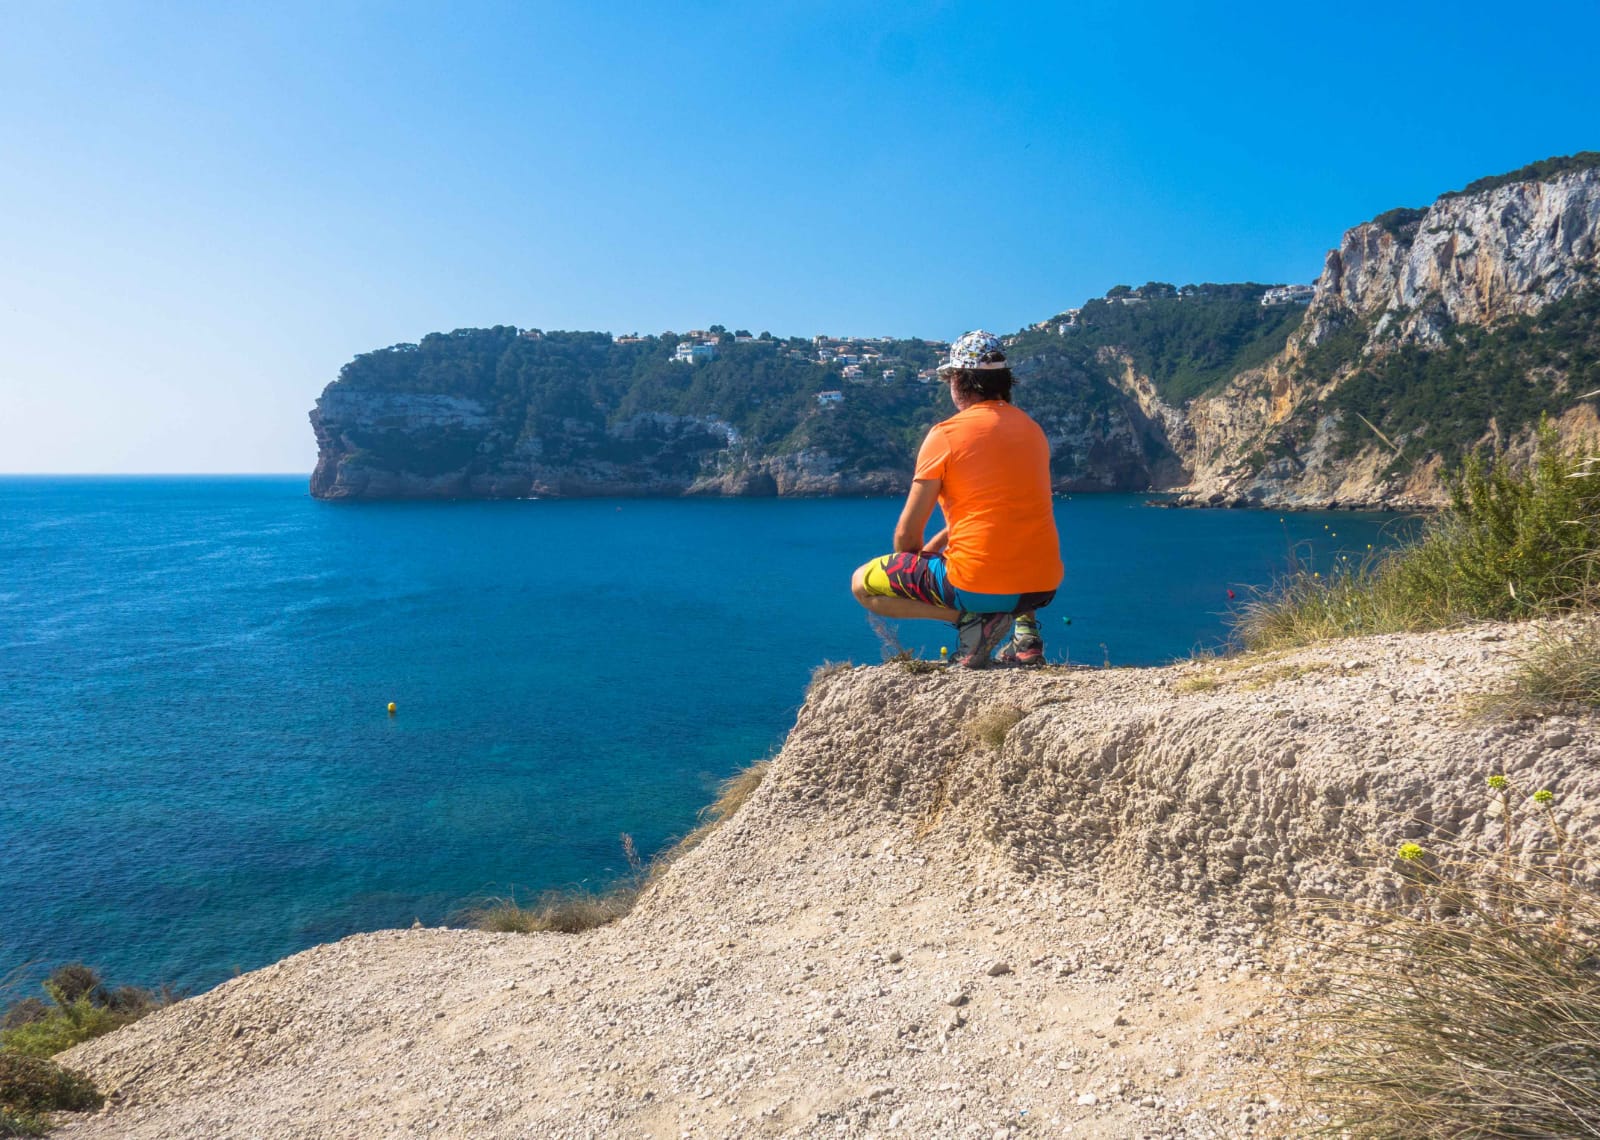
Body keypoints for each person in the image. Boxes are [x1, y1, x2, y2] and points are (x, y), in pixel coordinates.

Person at [850, 330, 1063, 667]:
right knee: (1012, 542)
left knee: (862, 584)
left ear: (959, 380)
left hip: (977, 587)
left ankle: (970, 621)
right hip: (1041, 587)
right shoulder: (1032, 430)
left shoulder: (945, 435)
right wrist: (943, 543)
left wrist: (923, 559)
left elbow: (906, 538)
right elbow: (1002, 512)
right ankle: (1026, 634)